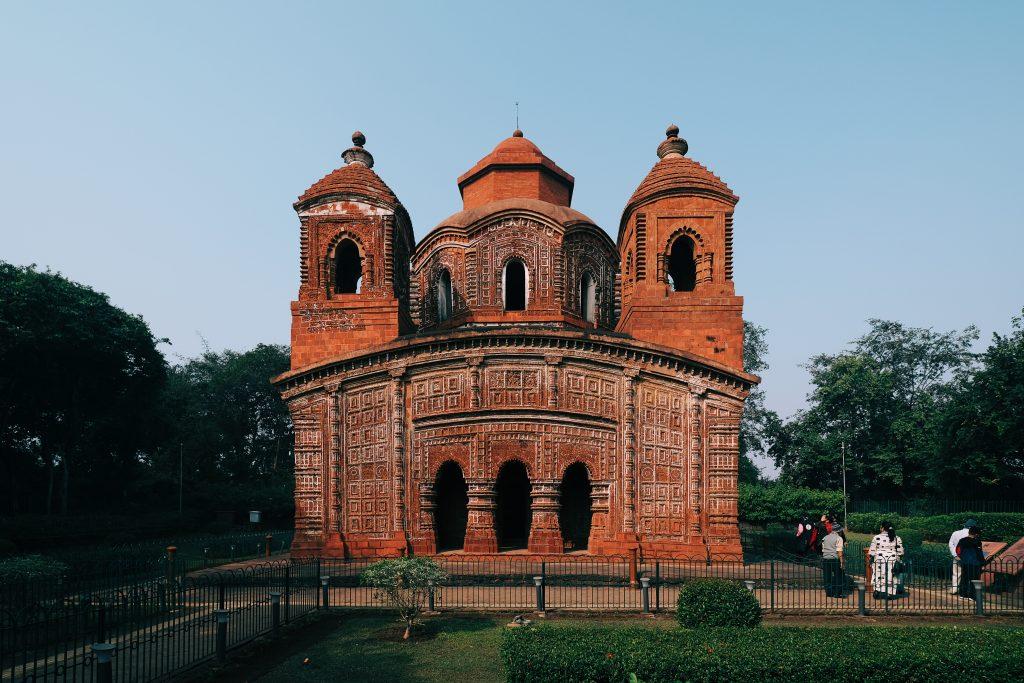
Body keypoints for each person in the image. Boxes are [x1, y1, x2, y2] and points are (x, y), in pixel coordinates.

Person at [868, 521, 904, 600]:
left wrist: (871, 558)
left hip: (880, 559)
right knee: (891, 575)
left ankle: (877, 590)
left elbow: (872, 551)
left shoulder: (877, 537)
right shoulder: (897, 538)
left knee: (878, 575)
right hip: (892, 559)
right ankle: (889, 593)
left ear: (883, 528)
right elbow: (900, 551)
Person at [955, 526, 987, 599]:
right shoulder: (977, 542)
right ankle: (972, 595)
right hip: (975, 563)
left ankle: (963, 594)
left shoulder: (962, 540)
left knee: (964, 578)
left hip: (965, 562)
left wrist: (962, 557)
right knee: (975, 580)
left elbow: (958, 551)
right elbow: (979, 553)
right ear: (976, 534)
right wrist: (983, 563)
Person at [947, 518, 977, 595]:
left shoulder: (955, 533)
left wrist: (955, 554)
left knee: (956, 573)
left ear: (965, 525)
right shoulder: (972, 534)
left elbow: (951, 544)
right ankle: (966, 591)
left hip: (957, 556)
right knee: (968, 575)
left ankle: (954, 589)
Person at [821, 525, 846, 598]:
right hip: (835, 559)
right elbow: (839, 550)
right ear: (839, 531)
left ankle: (829, 592)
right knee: (839, 576)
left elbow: (823, 548)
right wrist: (842, 562)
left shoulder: (825, 537)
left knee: (827, 576)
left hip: (825, 558)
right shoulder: (839, 538)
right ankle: (838, 593)